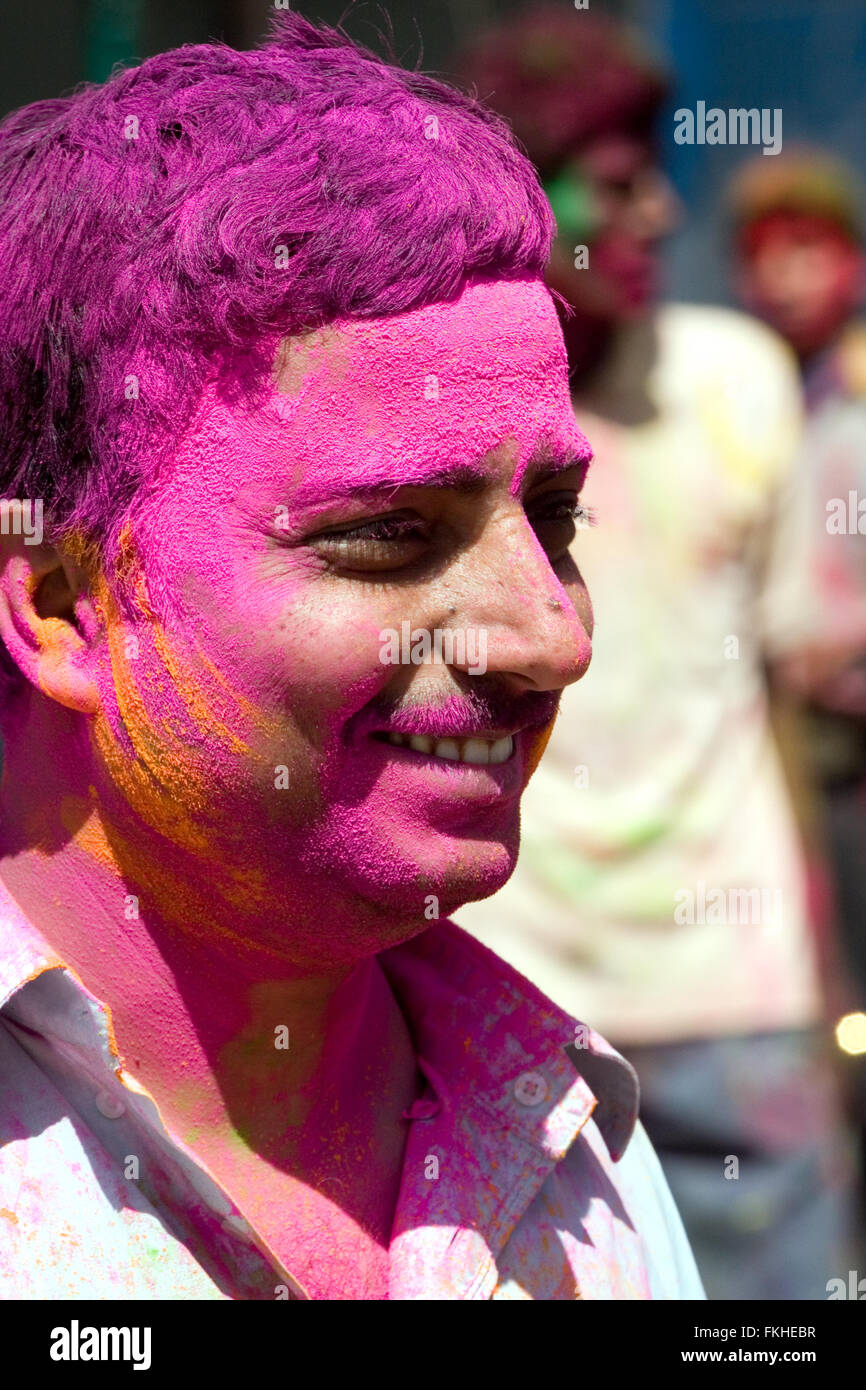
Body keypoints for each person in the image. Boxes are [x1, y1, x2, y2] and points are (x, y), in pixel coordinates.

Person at [0, 13, 703, 1300]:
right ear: (62, 605)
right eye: (388, 537)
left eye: (553, 521)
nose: (551, 638)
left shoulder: (565, 1127)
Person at [453, 6, 857, 1299]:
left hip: (732, 996)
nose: (658, 221)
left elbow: (797, 672)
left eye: (659, 183)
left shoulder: (737, 384)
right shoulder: (454, 426)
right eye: (617, 187)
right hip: (518, 993)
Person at [730, 147, 866, 1181]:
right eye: (761, 256)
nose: (784, 276)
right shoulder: (740, 395)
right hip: (784, 737)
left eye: (806, 250)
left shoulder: (849, 402)